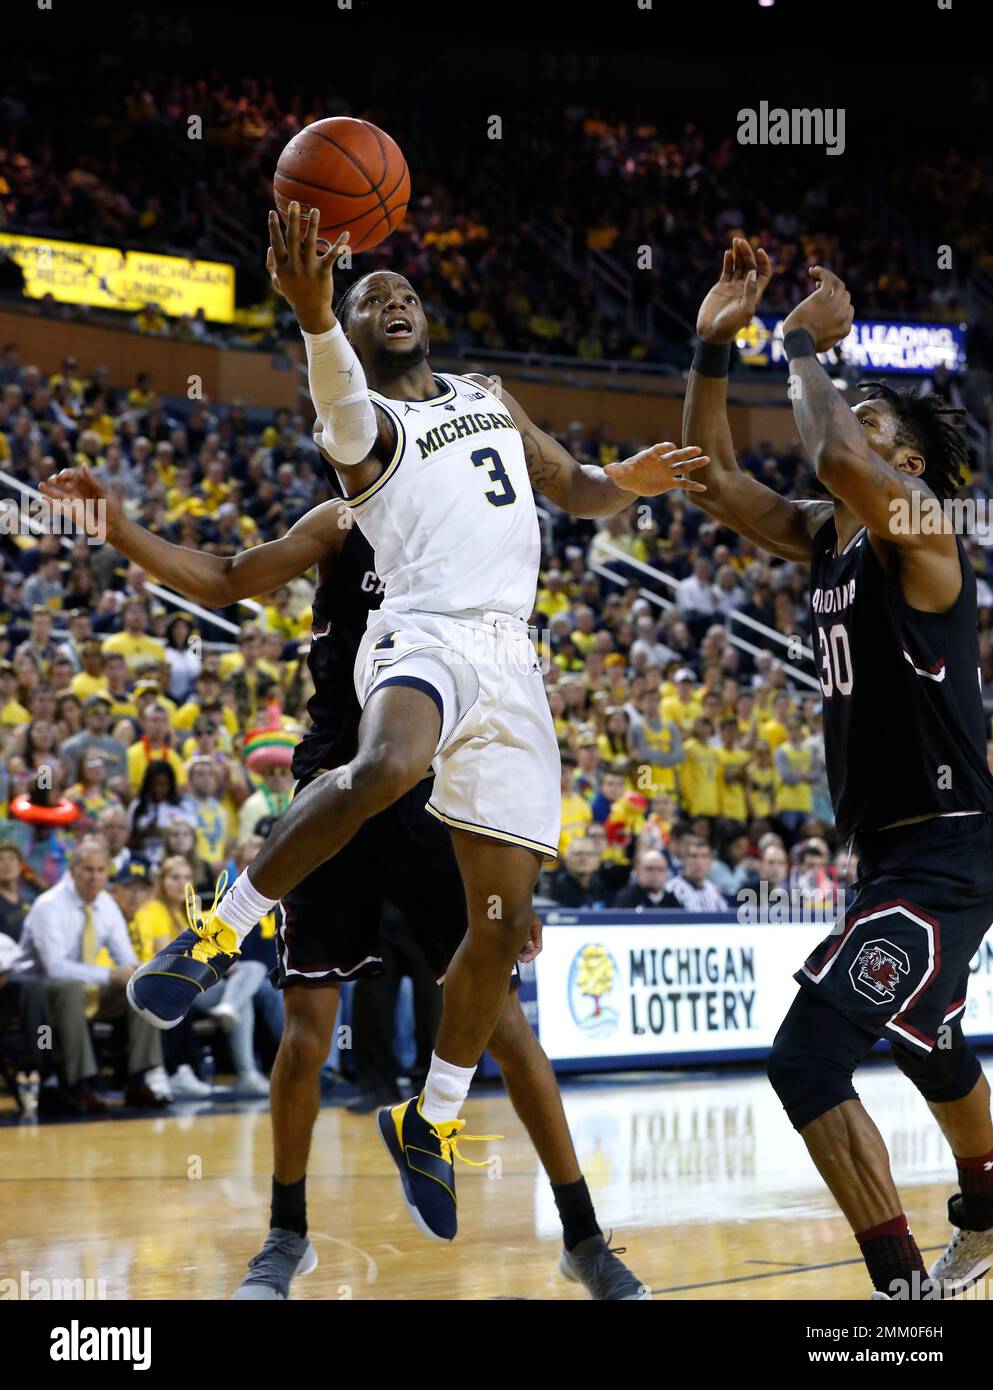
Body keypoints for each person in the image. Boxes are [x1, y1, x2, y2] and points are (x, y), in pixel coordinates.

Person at [45, 201, 709, 1251]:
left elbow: (573, 486)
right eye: (370, 300)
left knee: (500, 980)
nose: (393, 300)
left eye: (404, 292)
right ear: (352, 344)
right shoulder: (353, 479)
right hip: (393, 699)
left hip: (488, 699)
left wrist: (618, 483)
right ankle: (275, 1184)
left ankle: (555, 1214)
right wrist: (310, 321)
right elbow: (228, 568)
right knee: (327, 957)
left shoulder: (486, 400)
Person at [682, 235, 993, 1299]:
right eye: (850, 409)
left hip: (948, 856)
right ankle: (991, 1209)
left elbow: (827, 457)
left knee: (808, 1059)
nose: (849, 424)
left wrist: (805, 347)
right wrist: (712, 349)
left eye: (872, 419)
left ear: (904, 463)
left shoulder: (925, 526)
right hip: (889, 857)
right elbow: (712, 480)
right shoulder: (830, 536)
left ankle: (902, 1297)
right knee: (926, 1035)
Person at [14, 836, 167, 1110]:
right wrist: (110, 975)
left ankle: (139, 1079)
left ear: (107, 873)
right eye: (87, 870)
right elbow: (55, 967)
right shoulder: (48, 905)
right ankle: (80, 1083)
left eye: (100, 871)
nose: (94, 877)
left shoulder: (106, 904)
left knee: (140, 987)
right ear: (73, 871)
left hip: (84, 988)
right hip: (38, 994)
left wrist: (134, 973)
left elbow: (125, 958)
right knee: (70, 986)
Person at [663, 837, 728, 912]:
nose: (699, 861)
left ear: (710, 862)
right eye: (694, 856)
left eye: (704, 856)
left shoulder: (712, 890)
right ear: (683, 860)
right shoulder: (671, 890)